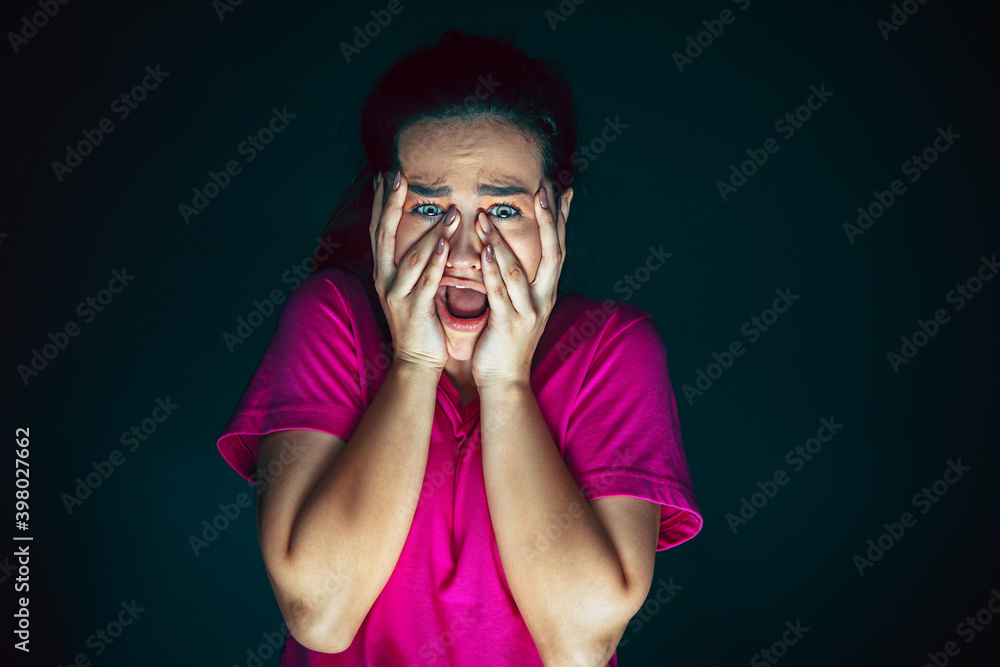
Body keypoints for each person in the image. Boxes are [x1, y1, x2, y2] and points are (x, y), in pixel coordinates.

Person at [216, 29, 702, 666]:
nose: (465, 254)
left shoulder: (613, 350)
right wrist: (415, 365)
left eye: (502, 212)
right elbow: (321, 614)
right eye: (427, 208)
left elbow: (581, 643)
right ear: (381, 210)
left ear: (558, 213)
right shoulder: (332, 318)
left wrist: (506, 383)